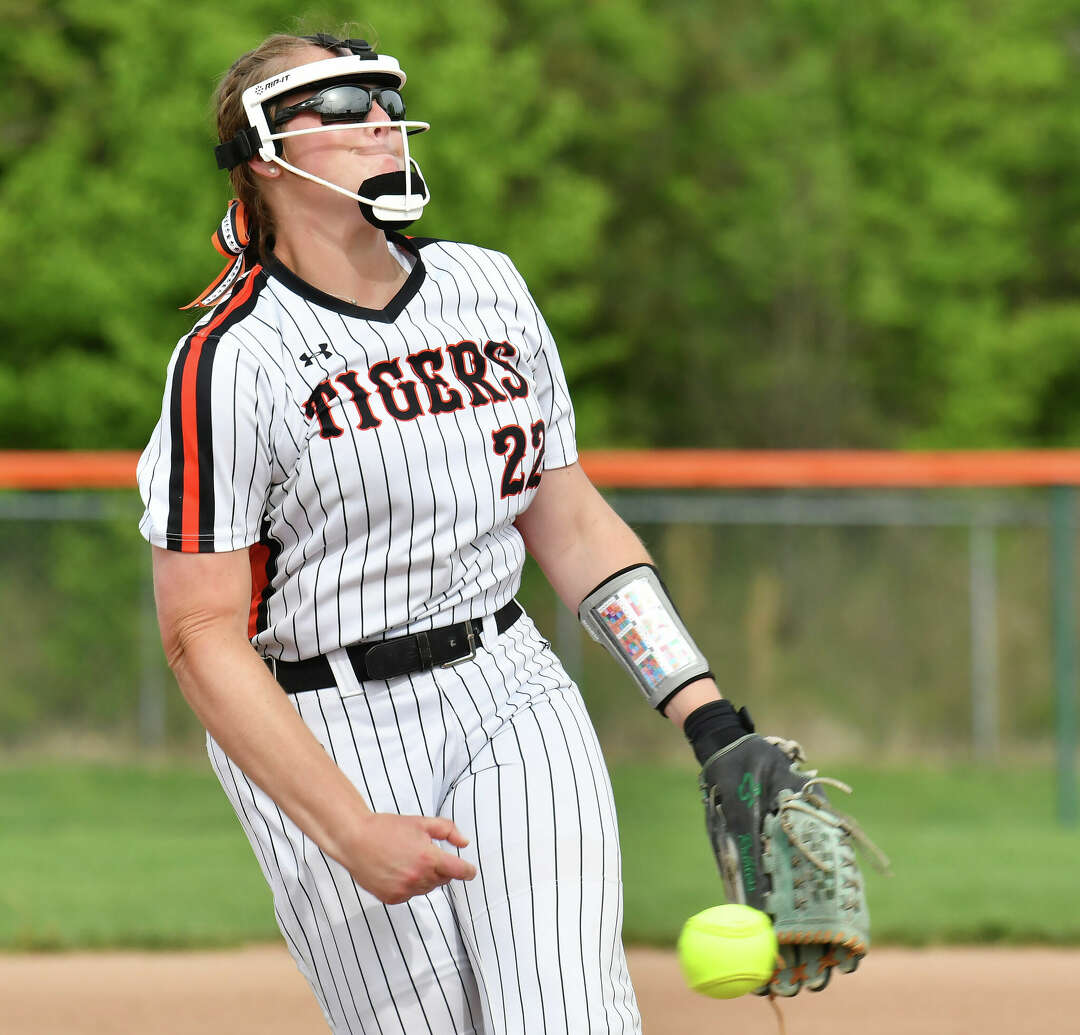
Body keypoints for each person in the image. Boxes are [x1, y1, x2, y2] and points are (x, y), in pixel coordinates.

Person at [137, 30, 831, 1035]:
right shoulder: (230, 360)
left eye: (383, 97)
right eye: (338, 105)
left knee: (564, 1016)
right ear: (259, 153)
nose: (379, 119)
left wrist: (710, 718)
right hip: (326, 726)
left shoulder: (486, 287)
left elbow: (574, 523)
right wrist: (345, 825)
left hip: (508, 688)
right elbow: (199, 634)